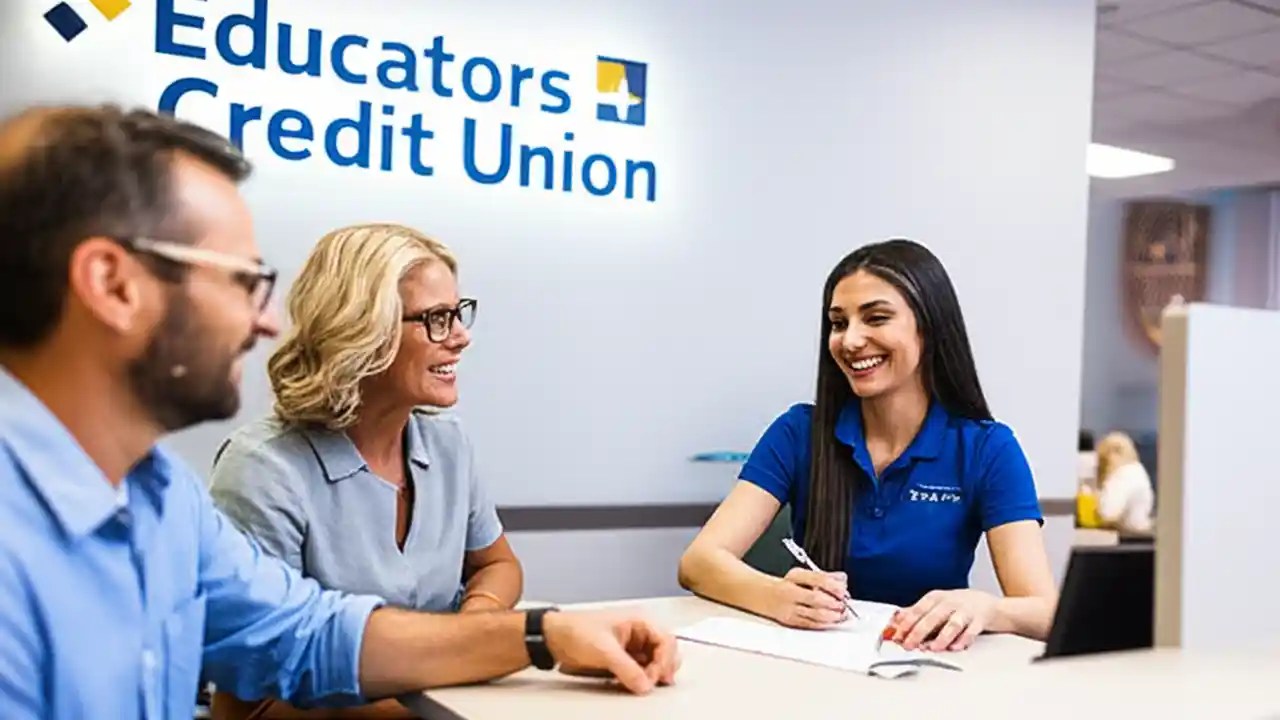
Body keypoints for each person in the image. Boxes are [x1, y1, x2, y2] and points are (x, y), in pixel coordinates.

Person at [0, 104, 678, 719]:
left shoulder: (161, 496)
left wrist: (545, 634)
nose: (268, 322)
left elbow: (311, 634)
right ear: (113, 285)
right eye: (242, 281)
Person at [678, 239, 1057, 652]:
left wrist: (986, 608)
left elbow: (1043, 612)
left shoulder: (988, 448)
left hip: (926, 675)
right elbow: (698, 562)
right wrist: (774, 596)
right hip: (814, 668)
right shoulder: (797, 432)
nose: (851, 340)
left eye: (875, 318)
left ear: (928, 329)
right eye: (838, 323)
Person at [208, 224, 523, 718]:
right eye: (437, 319)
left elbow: (497, 566)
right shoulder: (265, 468)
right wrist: (437, 704)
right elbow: (245, 707)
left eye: (458, 314)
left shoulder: (448, 444)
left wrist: (475, 629)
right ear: (362, 330)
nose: (461, 337)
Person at [1093, 431, 1154, 534]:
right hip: (1141, 532)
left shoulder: (1122, 475)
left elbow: (1108, 512)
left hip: (1128, 537)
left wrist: (1094, 497)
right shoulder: (1137, 470)